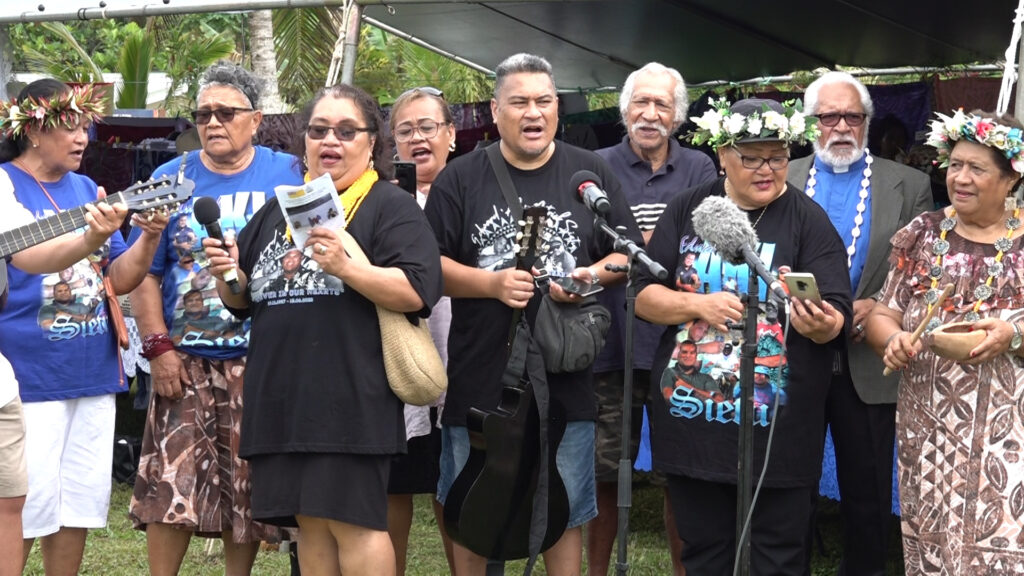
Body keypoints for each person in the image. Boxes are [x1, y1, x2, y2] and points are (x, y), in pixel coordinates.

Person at [203, 82, 442, 576]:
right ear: (304, 140)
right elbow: (242, 302)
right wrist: (229, 275)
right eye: (318, 130)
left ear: (371, 141)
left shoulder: (387, 206)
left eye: (346, 130)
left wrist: (349, 268)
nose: (330, 140)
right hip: (282, 398)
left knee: (355, 526)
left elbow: (419, 291)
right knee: (310, 527)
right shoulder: (280, 210)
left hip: (350, 398)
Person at [424, 52, 641, 576]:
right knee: (472, 507)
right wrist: (491, 284)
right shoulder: (461, 178)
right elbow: (426, 267)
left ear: (557, 110)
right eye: (519, 101)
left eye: (544, 101)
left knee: (563, 510)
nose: (533, 112)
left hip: (565, 373)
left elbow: (626, 252)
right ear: (495, 111)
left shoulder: (589, 173)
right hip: (481, 372)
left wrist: (586, 277)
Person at [635, 97, 851, 574]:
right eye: (751, 157)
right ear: (722, 157)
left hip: (779, 431)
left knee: (778, 557)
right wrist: (696, 304)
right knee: (705, 553)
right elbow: (642, 297)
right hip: (695, 422)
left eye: (776, 157)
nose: (766, 169)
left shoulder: (806, 219)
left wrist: (821, 324)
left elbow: (836, 312)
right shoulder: (689, 208)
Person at [127, 61, 303, 576]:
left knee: (244, 489)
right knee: (171, 486)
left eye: (226, 112)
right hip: (184, 357)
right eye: (203, 114)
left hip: (263, 358)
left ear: (256, 118)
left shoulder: (289, 174)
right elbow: (145, 273)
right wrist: (158, 347)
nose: (212, 122)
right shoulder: (168, 178)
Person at [0, 78, 168, 576]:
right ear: (32, 131)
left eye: (84, 127)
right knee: (24, 508)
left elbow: (118, 277)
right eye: (69, 127)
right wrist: (91, 233)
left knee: (77, 507)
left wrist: (146, 238)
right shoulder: (5, 185)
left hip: (92, 368)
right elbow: (31, 259)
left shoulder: (85, 189)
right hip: (31, 371)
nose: (82, 138)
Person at [865, 109, 1024, 574]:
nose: (961, 178)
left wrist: (1013, 333)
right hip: (928, 420)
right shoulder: (923, 233)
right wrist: (891, 339)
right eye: (955, 164)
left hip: (1008, 427)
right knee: (932, 542)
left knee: (1004, 542)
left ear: (1011, 178)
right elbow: (883, 313)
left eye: (977, 168)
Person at [787, 71, 932, 575]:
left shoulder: (909, 184)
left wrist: (878, 305)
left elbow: (919, 268)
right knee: (790, 482)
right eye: (830, 116)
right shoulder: (781, 175)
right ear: (813, 123)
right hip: (794, 352)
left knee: (867, 489)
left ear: (867, 122)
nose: (842, 126)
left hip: (868, 355)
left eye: (853, 116)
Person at [588, 61, 717, 576]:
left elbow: (700, 251)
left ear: (678, 115)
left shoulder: (702, 169)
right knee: (602, 475)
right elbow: (587, 246)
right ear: (624, 110)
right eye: (640, 102)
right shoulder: (594, 164)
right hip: (608, 347)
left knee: (678, 476)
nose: (650, 113)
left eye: (662, 104)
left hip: (676, 347)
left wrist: (638, 255)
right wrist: (645, 255)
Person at [387, 86, 457, 575]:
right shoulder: (379, 197)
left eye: (427, 127)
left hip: (460, 355)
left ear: (450, 134)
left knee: (454, 482)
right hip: (396, 360)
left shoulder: (473, 188)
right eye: (405, 130)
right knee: (393, 484)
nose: (418, 139)